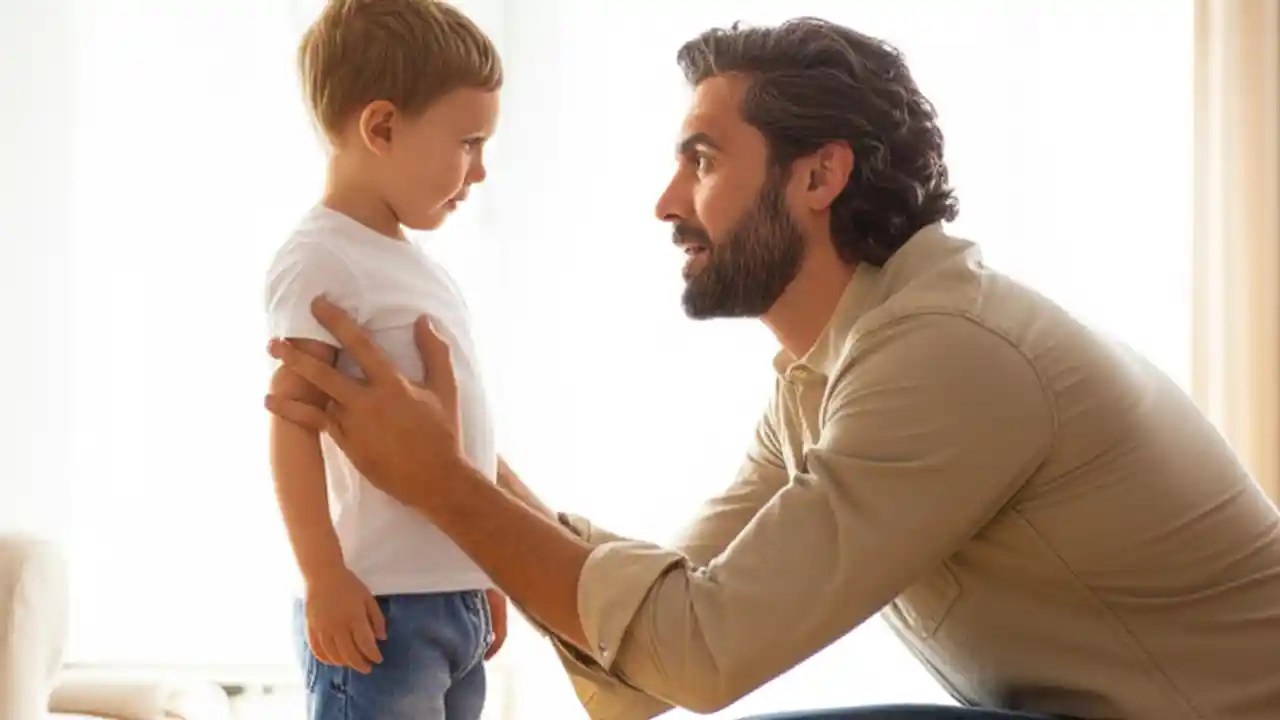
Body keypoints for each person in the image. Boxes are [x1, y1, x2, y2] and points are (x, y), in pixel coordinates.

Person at [265, 17, 1280, 720]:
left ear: (817, 175)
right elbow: (644, 663)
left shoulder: (945, 360)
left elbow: (697, 653)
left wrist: (445, 484)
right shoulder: (830, 373)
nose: (665, 202)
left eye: (700, 159)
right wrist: (461, 473)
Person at [262, 1, 507, 718]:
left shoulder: (409, 263)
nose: (481, 170)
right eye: (468, 142)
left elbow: (457, 441)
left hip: (448, 600)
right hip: (378, 608)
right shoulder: (322, 257)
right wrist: (324, 574)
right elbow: (291, 424)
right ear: (383, 127)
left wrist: (478, 563)